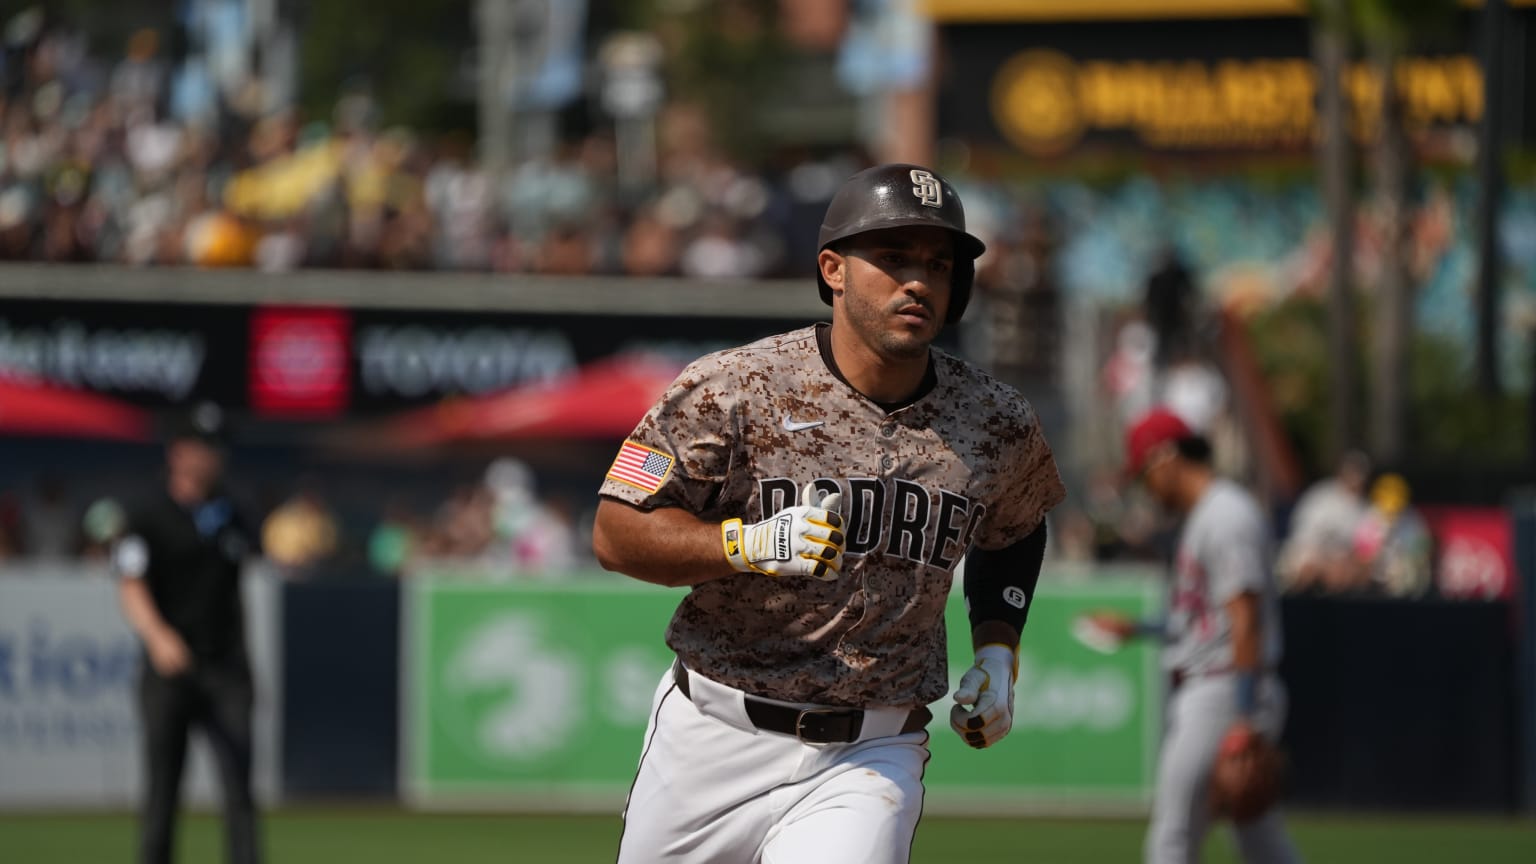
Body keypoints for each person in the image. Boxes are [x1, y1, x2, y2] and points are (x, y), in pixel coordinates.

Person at [592, 163, 1065, 863]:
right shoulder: (732, 388)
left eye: (938, 265)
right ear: (833, 269)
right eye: (894, 258)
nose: (918, 282)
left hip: (869, 754)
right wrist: (745, 545)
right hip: (711, 737)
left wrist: (999, 646)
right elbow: (616, 533)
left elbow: (1017, 526)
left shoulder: (995, 420)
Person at [1078, 408, 1300, 864]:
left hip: (1224, 690)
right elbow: (1204, 622)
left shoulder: (1226, 515)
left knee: (1173, 836)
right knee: (1257, 838)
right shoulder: (1207, 516)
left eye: (1144, 473)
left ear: (1165, 457)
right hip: (1225, 684)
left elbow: (1246, 618)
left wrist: (1243, 719)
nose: (1146, 487)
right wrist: (1137, 628)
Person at [112, 403, 262, 864]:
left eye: (217, 447)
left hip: (225, 669)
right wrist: (157, 635)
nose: (212, 456)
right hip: (170, 671)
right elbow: (130, 582)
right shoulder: (148, 514)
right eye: (202, 446)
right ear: (178, 452)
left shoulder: (234, 513)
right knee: (163, 790)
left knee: (239, 787)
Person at [1275, 450, 1372, 595]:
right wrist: (1325, 565)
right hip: (1312, 571)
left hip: (1348, 577)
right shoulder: (1320, 499)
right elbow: (1302, 544)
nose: (1356, 478)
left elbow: (1366, 551)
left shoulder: (1366, 508)